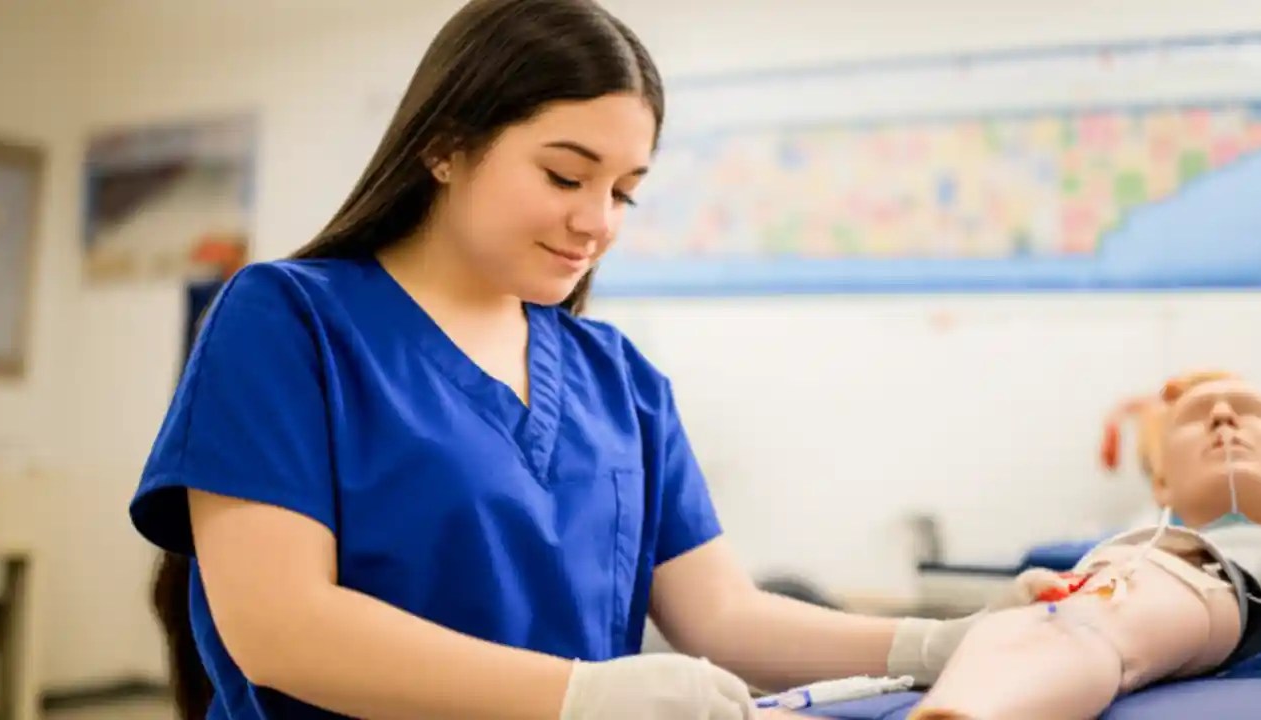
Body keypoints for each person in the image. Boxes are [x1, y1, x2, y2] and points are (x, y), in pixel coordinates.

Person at [128, 2, 1056, 718]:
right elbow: (284, 633)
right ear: (446, 146)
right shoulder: (290, 321)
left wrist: (940, 645)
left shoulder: (616, 378)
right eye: (566, 177)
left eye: (625, 192)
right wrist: (578, 696)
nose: (598, 222)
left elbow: (724, 618)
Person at [906, 371, 1261, 719]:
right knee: (1070, 619)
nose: (1222, 417)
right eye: (1195, 416)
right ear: (1161, 484)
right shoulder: (1147, 554)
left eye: (1250, 412)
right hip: (1167, 594)